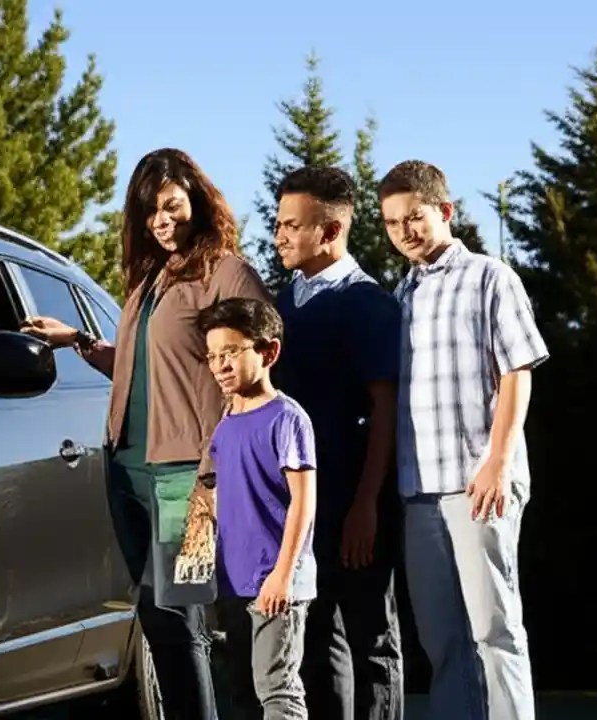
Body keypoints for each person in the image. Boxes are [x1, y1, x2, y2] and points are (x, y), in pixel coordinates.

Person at [21, 147, 269, 719]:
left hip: (189, 478)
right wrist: (78, 341)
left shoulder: (226, 273)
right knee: (158, 622)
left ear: (197, 201)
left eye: (172, 206)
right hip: (127, 474)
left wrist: (218, 468)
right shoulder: (151, 279)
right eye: (150, 211)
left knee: (179, 618)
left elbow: (258, 373)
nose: (161, 220)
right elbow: (140, 367)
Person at [379, 159, 547, 720]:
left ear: (445, 211)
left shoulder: (490, 277)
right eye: (392, 221)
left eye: (415, 216)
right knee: (443, 642)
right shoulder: (400, 296)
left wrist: (498, 461)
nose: (404, 230)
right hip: (418, 492)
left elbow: (517, 371)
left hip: (479, 484)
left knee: (494, 631)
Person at [269, 166, 404, 719]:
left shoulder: (368, 304)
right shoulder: (283, 302)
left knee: (371, 639)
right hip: (301, 508)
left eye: (292, 225)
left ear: (330, 231)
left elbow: (385, 410)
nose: (279, 235)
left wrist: (366, 505)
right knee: (316, 639)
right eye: (279, 223)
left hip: (354, 502)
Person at [199, 296, 317, 720]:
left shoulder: (287, 418)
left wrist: (283, 576)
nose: (220, 366)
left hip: (274, 584)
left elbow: (304, 500)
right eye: (212, 356)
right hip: (233, 583)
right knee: (242, 693)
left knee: (277, 689)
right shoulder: (225, 424)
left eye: (230, 353)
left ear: (268, 352)